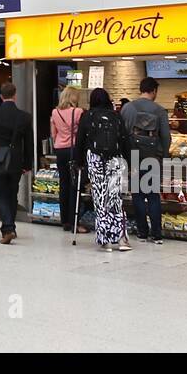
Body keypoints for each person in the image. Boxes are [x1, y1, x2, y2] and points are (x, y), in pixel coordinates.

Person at [0, 81, 34, 244]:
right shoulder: (24, 116)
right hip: (16, 161)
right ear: (14, 95)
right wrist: (27, 164)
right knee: (11, 194)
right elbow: (29, 143)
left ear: (1, 96)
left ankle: (8, 228)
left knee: (0, 194)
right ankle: (10, 227)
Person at [75, 88, 130, 252]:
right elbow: (125, 140)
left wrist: (78, 162)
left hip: (95, 159)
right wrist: (130, 162)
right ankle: (121, 240)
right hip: (116, 159)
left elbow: (79, 141)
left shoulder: (87, 116)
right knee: (115, 198)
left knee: (100, 199)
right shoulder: (116, 116)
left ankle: (105, 240)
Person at [121, 76, 172, 244]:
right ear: (154, 91)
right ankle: (157, 234)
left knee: (137, 195)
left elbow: (122, 134)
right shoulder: (160, 110)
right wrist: (164, 156)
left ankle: (142, 232)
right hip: (153, 157)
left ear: (140, 89)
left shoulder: (127, 108)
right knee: (153, 196)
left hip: (133, 156)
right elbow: (166, 137)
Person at [50, 85, 84, 231]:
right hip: (73, 150)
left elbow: (53, 134)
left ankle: (64, 221)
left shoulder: (55, 112)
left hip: (60, 150)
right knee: (75, 185)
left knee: (63, 184)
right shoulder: (78, 112)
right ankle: (74, 220)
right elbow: (82, 134)